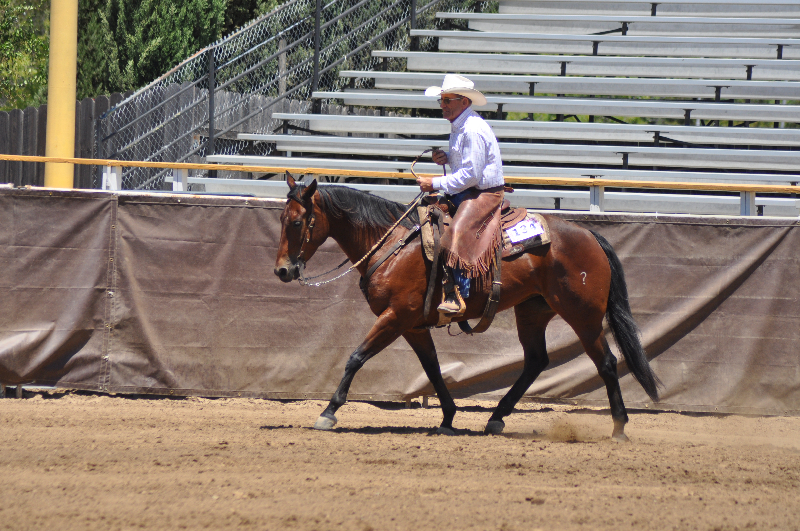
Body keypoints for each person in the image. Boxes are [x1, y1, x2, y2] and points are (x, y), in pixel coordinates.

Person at [416, 74, 505, 316]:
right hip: (469, 191)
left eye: (447, 100)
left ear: (464, 102)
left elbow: (471, 176)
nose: (443, 105)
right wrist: (446, 157)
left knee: (456, 230)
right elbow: (467, 166)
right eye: (441, 100)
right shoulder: (460, 125)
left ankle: (458, 293)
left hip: (482, 194)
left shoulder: (471, 129)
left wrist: (434, 182)